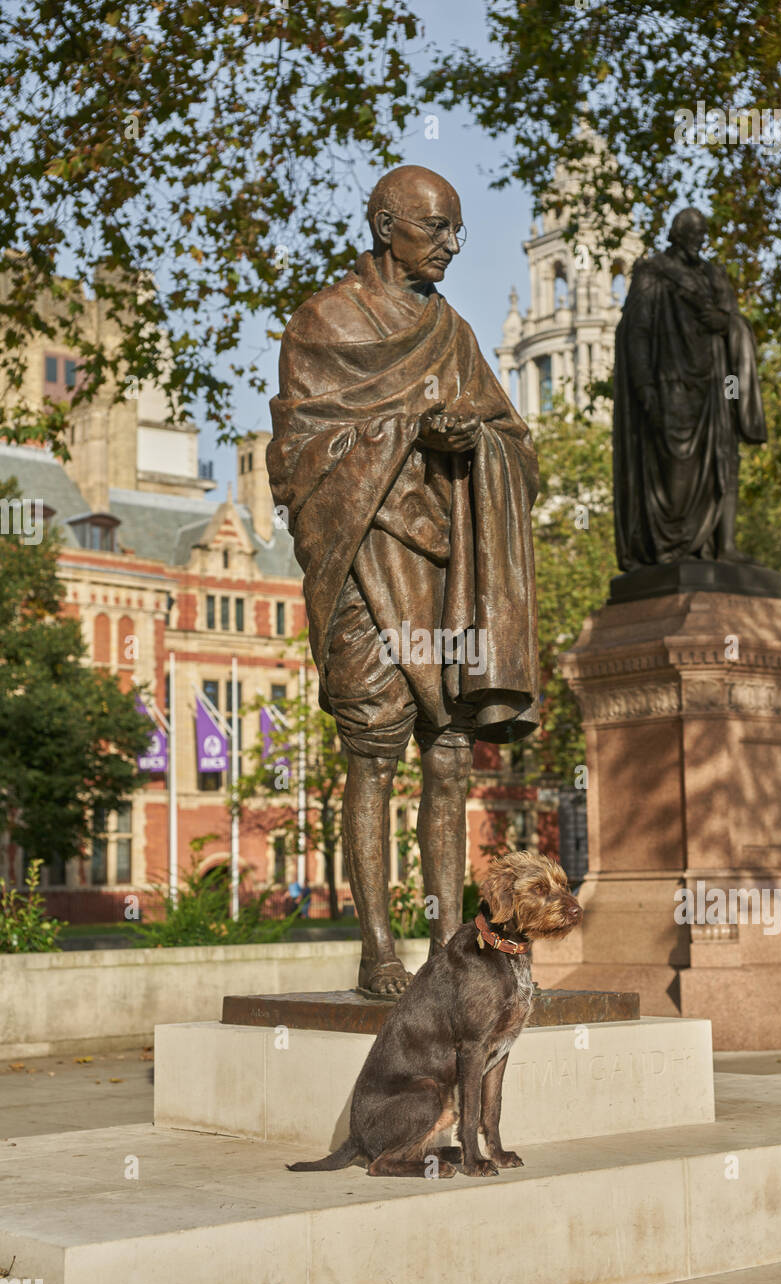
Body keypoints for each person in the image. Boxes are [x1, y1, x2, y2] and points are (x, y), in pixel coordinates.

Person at [267, 165, 540, 996]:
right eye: (435, 230)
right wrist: (411, 428)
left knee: (450, 755)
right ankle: (377, 950)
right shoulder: (323, 322)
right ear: (387, 226)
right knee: (373, 755)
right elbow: (297, 456)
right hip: (365, 557)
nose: (452, 247)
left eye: (458, 231)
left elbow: (514, 439)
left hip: (441, 566)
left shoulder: (452, 331)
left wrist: (472, 442)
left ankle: (448, 945)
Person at [613, 207, 767, 569]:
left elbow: (732, 320)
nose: (700, 240)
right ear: (677, 234)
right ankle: (673, 546)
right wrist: (644, 385)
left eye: (703, 234)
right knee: (676, 464)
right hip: (672, 386)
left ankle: (725, 546)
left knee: (725, 460)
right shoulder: (654, 273)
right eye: (693, 233)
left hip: (718, 387)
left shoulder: (714, 275)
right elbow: (637, 330)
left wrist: (726, 322)